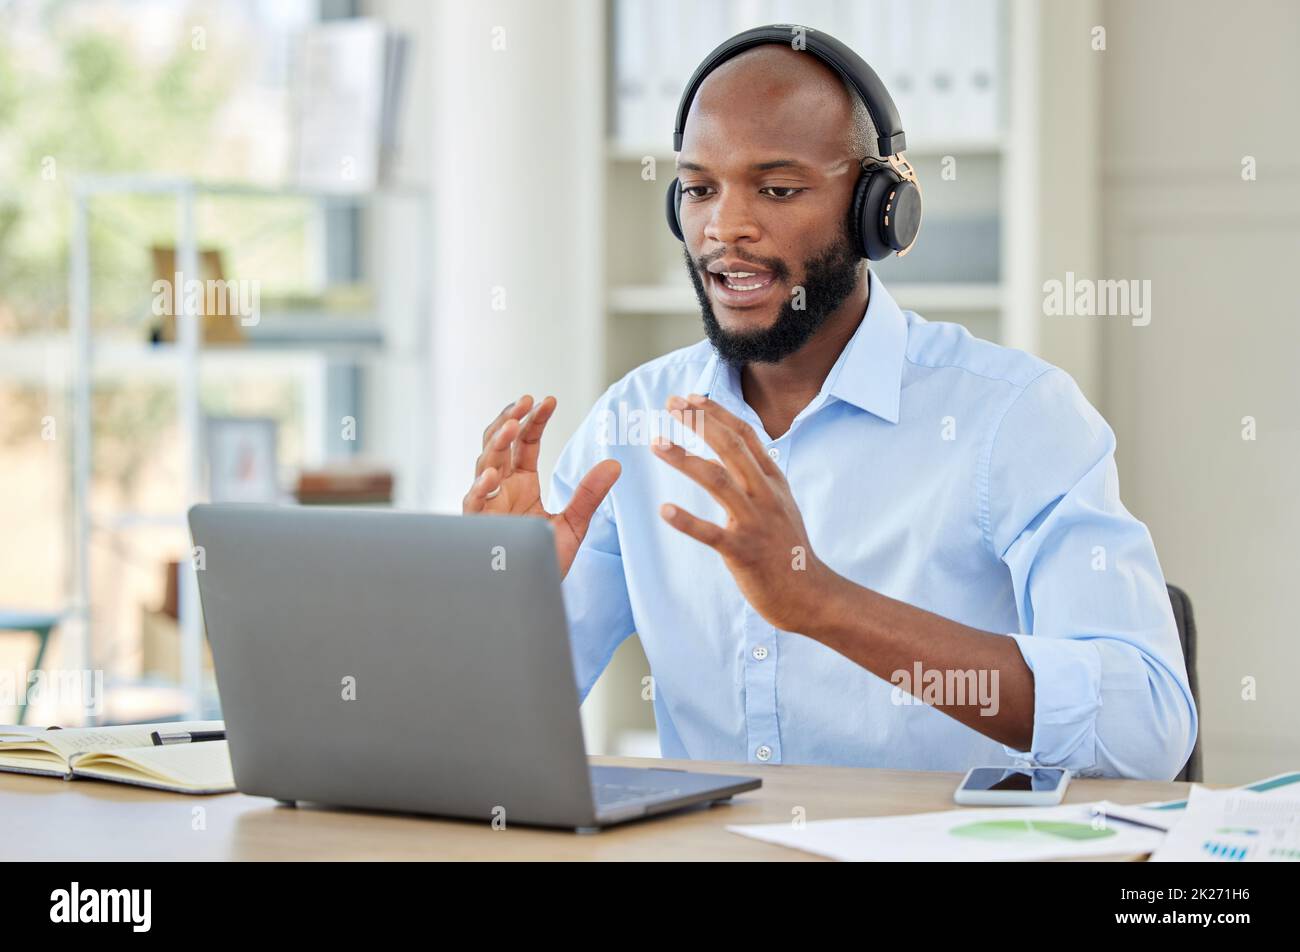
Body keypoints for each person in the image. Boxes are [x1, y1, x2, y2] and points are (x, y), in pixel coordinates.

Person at [462, 35, 1196, 780]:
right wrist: (500, 600)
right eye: (699, 188)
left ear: (881, 211)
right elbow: (489, 741)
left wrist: (821, 602)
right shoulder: (636, 421)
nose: (725, 228)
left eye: (777, 190)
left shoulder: (1014, 417)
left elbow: (1147, 731)